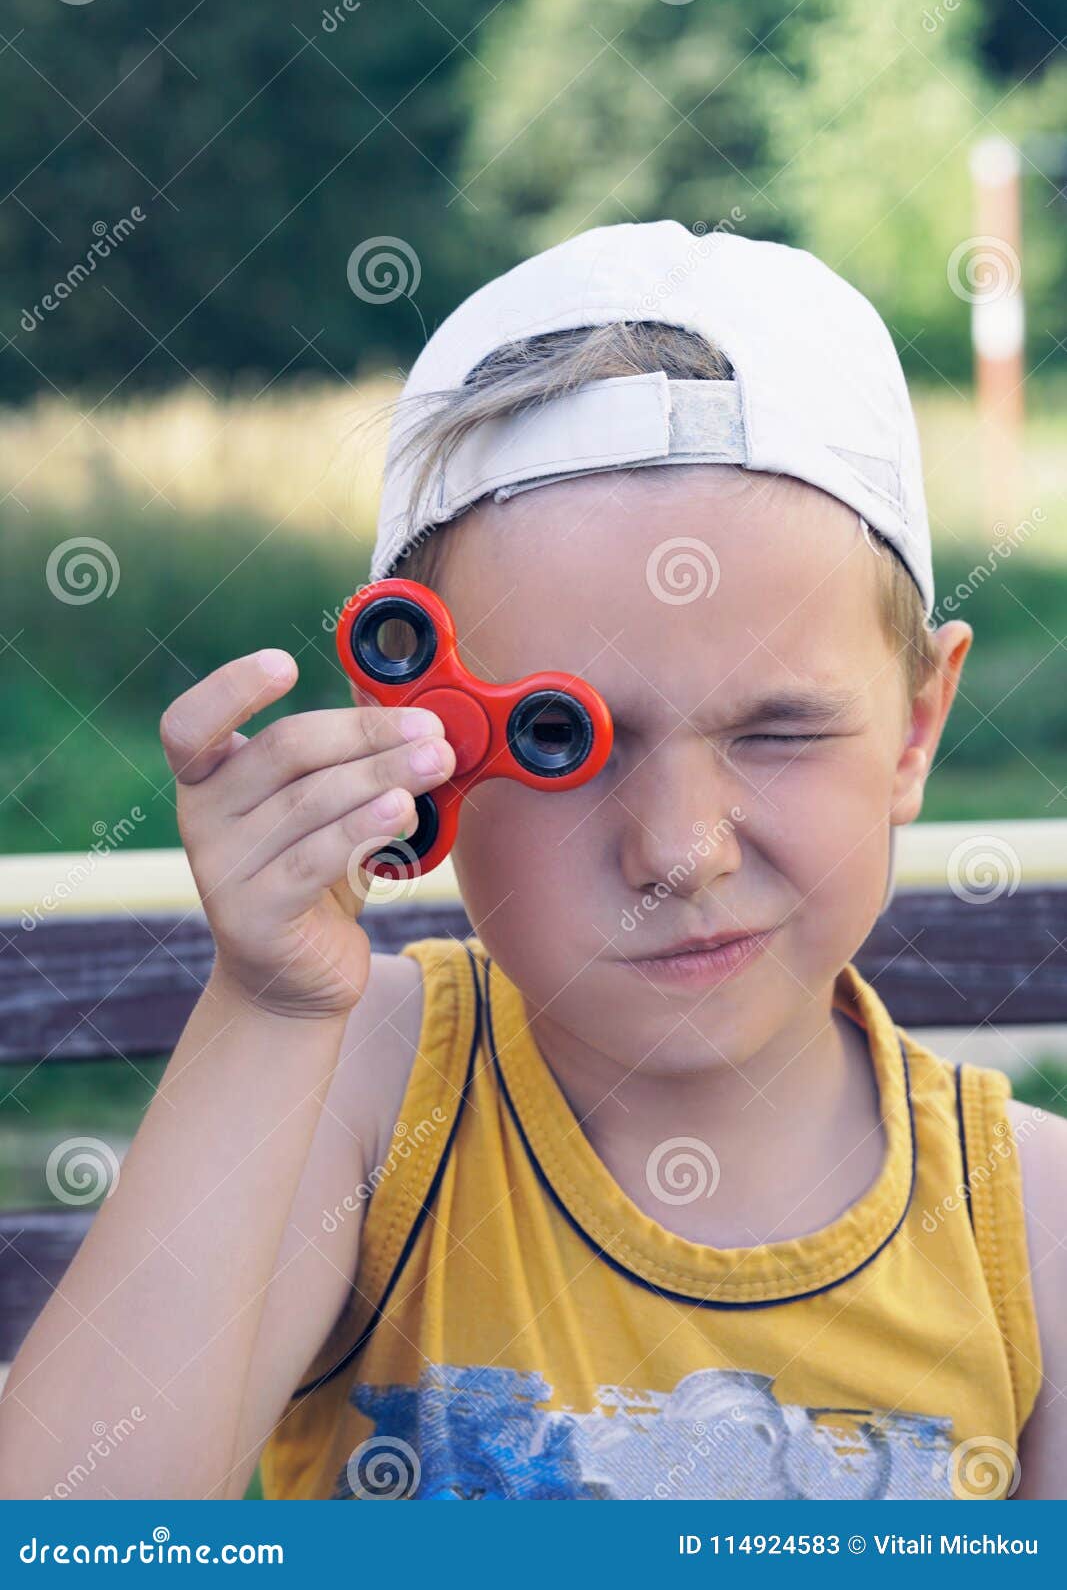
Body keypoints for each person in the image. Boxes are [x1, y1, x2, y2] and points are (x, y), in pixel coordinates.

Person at [2, 222, 1063, 1501]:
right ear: (415, 746)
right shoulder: (368, 1097)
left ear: (913, 724)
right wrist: (270, 1009)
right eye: (565, 738)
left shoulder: (1031, 1233)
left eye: (775, 731)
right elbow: (66, 1537)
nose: (677, 850)